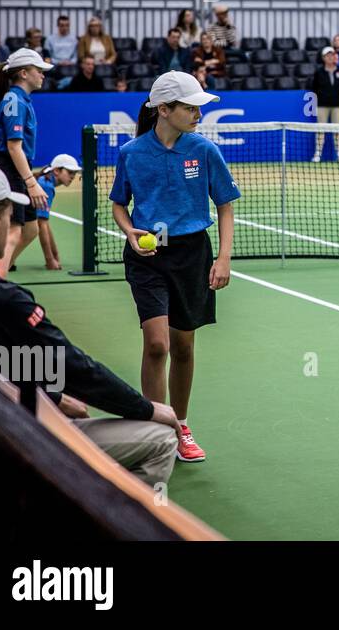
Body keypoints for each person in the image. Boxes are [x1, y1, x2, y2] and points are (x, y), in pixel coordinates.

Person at [0, 160, 181, 487]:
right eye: (10, 216)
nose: (12, 225)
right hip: (1, 435)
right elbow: (72, 366)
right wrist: (147, 408)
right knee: (160, 438)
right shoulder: (3, 300)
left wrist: (51, 395)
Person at [110, 71, 240, 464]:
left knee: (183, 346)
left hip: (193, 255)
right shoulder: (132, 153)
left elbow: (225, 205)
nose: (198, 112)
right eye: (190, 107)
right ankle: (155, 432)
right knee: (157, 344)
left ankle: (181, 424)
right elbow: (119, 203)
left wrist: (222, 257)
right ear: (163, 110)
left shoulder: (204, 150)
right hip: (148, 256)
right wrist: (129, 230)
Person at [0, 48, 52, 278]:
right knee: (13, 231)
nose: (43, 75)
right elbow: (14, 147)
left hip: (16, 169)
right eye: (39, 70)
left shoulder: (21, 99)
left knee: (30, 229)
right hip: (8, 169)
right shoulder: (14, 99)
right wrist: (30, 182)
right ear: (24, 73)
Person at [24, 154, 81, 271]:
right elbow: (42, 225)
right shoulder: (46, 186)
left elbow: (44, 223)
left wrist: (56, 256)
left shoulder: (45, 181)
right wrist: (50, 260)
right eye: (70, 172)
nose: (73, 177)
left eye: (74, 173)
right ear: (56, 171)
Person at [309, 47, 339, 162]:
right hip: (322, 106)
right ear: (323, 58)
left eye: (332, 55)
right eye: (327, 55)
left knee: (338, 130)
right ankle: (318, 154)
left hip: (337, 106)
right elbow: (315, 87)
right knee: (321, 129)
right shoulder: (319, 73)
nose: (330, 57)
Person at [47, 15, 78, 84]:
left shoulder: (74, 39)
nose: (65, 27)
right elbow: (48, 56)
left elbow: (76, 56)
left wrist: (71, 62)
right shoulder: (50, 39)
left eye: (67, 25)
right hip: (54, 66)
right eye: (62, 25)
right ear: (58, 26)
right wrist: (58, 62)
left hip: (71, 66)